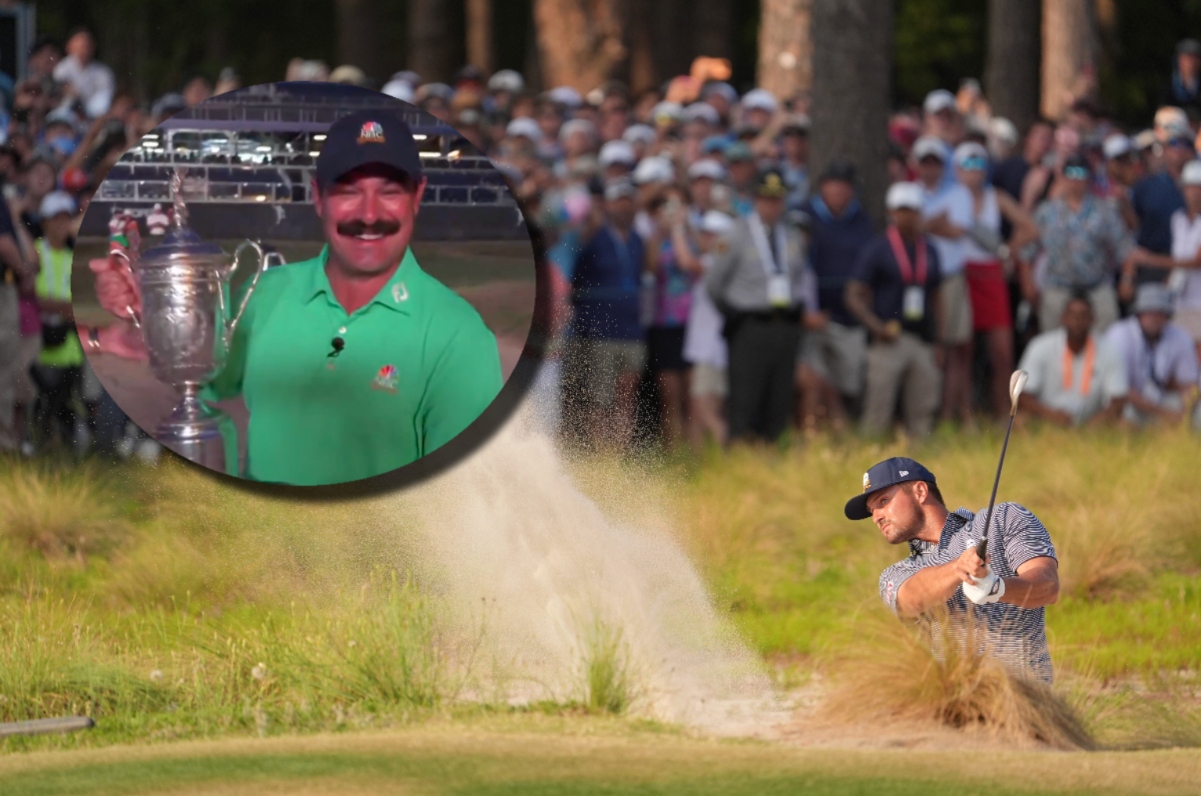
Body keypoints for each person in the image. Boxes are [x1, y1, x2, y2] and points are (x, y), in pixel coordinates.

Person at [91, 110, 503, 484]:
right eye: (348, 191)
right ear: (317, 197)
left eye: (390, 191)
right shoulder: (264, 293)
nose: (370, 213)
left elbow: (462, 497)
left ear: (418, 195)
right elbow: (199, 383)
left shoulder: (458, 335)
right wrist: (160, 307)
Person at [844, 457, 1060, 684]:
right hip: (955, 709)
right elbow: (912, 599)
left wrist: (997, 587)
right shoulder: (896, 574)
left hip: (1028, 701)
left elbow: (1048, 586)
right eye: (872, 510)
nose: (876, 517)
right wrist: (958, 569)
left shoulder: (1003, 519)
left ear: (919, 491)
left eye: (883, 501)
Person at [706, 168, 808, 443]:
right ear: (755, 199)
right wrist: (735, 313)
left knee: (778, 399)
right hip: (750, 326)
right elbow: (714, 284)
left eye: (778, 199)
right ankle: (740, 457)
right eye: (766, 198)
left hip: (785, 325)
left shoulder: (792, 234)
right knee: (745, 398)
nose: (773, 205)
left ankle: (772, 455)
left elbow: (797, 277)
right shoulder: (736, 235)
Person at [846, 182, 944, 439]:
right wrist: (875, 326)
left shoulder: (930, 250)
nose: (907, 216)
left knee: (923, 409)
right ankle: (869, 461)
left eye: (912, 210)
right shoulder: (878, 248)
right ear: (892, 212)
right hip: (888, 339)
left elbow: (937, 295)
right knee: (878, 408)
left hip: (922, 338)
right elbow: (853, 293)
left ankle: (922, 463)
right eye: (902, 210)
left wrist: (940, 340)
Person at [954, 142, 1038, 420]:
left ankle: (1004, 412)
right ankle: (966, 414)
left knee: (1002, 352)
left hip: (990, 275)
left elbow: (1030, 228)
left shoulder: (996, 197)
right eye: (968, 164)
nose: (974, 171)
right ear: (957, 169)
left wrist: (1007, 250)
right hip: (962, 275)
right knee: (963, 352)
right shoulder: (950, 198)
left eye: (979, 164)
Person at [566, 177, 646, 451]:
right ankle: (600, 455)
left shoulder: (637, 239)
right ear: (608, 204)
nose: (624, 207)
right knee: (600, 397)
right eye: (618, 201)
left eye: (628, 201)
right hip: (599, 329)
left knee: (626, 395)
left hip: (631, 329)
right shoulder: (593, 235)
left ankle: (618, 454)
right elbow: (573, 266)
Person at [795, 160, 873, 432]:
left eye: (844, 185)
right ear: (822, 187)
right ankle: (824, 430)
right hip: (810, 317)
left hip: (849, 318)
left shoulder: (862, 220)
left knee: (850, 380)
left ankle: (838, 428)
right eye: (832, 184)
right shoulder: (802, 216)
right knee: (815, 377)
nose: (838, 190)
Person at [1021, 154, 1136, 333]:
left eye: (1081, 172)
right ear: (1063, 176)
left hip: (1096, 286)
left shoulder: (1105, 211)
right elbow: (1027, 252)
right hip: (1058, 286)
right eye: (1070, 172)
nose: (1075, 178)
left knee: (1109, 337)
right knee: (1053, 341)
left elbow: (1125, 249)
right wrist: (1028, 285)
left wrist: (1127, 280)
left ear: (1089, 177)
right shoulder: (1046, 212)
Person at [913, 135, 974, 424]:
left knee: (953, 348)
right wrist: (937, 222)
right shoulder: (909, 192)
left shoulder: (958, 192)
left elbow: (957, 231)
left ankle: (949, 415)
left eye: (935, 162)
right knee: (927, 346)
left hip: (950, 278)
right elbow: (913, 230)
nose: (929, 168)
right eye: (925, 162)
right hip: (916, 279)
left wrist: (923, 224)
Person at [644, 186, 702, 450]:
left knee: (692, 396)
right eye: (666, 206)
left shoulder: (696, 239)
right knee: (670, 396)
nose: (672, 211)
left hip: (693, 325)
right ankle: (674, 453)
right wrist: (662, 231)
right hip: (664, 325)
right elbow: (652, 270)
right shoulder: (653, 240)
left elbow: (687, 264)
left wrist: (679, 230)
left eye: (678, 205)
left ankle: (693, 454)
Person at [1017, 292, 1128, 427]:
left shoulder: (1109, 349)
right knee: (1019, 422)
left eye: (1083, 316)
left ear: (1093, 319)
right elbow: (1022, 395)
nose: (1077, 321)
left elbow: (1118, 400)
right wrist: (1051, 415)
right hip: (1048, 418)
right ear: (1063, 318)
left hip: (1091, 422)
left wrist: (1096, 422)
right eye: (1072, 315)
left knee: (1125, 426)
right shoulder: (1040, 346)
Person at [30, 192, 83, 449]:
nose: (60, 226)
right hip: (38, 346)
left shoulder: (76, 258)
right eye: (55, 219)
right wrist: (60, 306)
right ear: (44, 222)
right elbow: (28, 294)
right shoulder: (33, 252)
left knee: (62, 407)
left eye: (65, 220)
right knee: (38, 406)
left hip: (69, 348)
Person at [1103, 284, 1199, 426]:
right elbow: (1120, 388)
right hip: (1125, 399)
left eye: (1160, 312)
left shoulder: (1180, 336)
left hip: (1157, 398)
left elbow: (1188, 383)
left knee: (1198, 411)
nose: (1154, 318)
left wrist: (1186, 410)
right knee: (1123, 412)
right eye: (1149, 312)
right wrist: (1164, 413)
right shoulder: (1119, 334)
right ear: (1139, 313)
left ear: (1167, 315)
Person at [684, 210, 734, 450]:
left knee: (705, 412)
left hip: (711, 351)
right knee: (699, 412)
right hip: (709, 350)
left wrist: (675, 228)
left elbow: (685, 262)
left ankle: (729, 461)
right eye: (704, 232)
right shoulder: (721, 261)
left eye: (710, 233)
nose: (704, 237)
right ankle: (700, 472)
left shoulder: (716, 261)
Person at [1129, 132, 1192, 287]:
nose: (1180, 149)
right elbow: (1132, 223)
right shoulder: (1146, 185)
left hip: (1191, 264)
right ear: (1165, 149)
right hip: (1152, 262)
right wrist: (1129, 269)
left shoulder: (1197, 187)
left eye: (1187, 145)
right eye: (1175, 143)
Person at [52, 29, 114, 118]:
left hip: (93, 117)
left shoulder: (103, 72)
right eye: (81, 46)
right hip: (67, 112)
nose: (84, 50)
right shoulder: (62, 68)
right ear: (70, 47)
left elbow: (104, 100)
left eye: (87, 46)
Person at [1163, 39, 1201, 119]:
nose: (1191, 62)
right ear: (1178, 59)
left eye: (1195, 58)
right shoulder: (1167, 85)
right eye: (1187, 58)